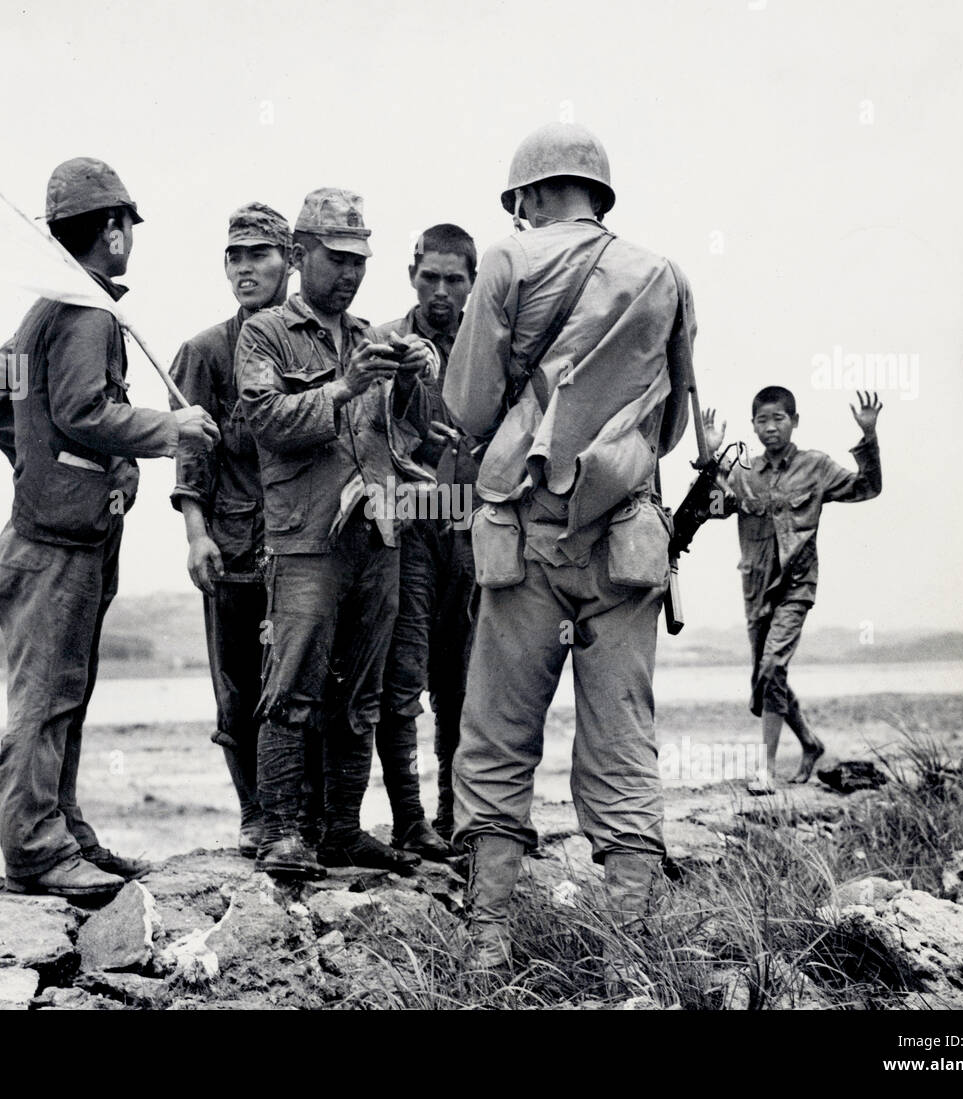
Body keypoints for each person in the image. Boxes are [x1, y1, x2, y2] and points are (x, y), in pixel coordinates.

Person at [442, 123, 695, 970]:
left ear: (531, 193)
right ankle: (627, 948)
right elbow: (672, 425)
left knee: (497, 733)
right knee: (623, 735)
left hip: (527, 532)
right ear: (597, 191)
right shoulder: (663, 273)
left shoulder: (507, 262)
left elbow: (471, 406)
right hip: (625, 538)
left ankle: (488, 942)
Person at [0, 157, 218, 897]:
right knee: (44, 703)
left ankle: (60, 827)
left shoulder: (51, 304)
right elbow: (81, 409)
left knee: (61, 698)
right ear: (110, 231)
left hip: (56, 540)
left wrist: (51, 463)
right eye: (127, 225)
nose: (130, 237)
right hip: (54, 550)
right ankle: (37, 853)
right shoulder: (85, 310)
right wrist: (169, 429)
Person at [235, 187, 434, 880]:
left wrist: (415, 379)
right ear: (299, 255)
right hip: (306, 541)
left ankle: (343, 828)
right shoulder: (264, 334)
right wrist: (343, 389)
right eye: (337, 258)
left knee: (364, 693)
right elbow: (265, 420)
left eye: (359, 260)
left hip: (375, 536)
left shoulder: (372, 337)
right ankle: (282, 830)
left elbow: (403, 435)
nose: (350, 273)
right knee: (291, 686)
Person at [168, 202, 292, 858]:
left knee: (305, 684)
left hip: (305, 547)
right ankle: (255, 814)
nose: (244, 267)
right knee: (238, 690)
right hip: (233, 549)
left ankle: (300, 816)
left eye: (259, 254)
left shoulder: (316, 343)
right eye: (234, 255)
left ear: (291, 261)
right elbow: (194, 456)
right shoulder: (205, 354)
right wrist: (196, 533)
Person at [702, 387, 883, 794]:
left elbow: (866, 488)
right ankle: (810, 743)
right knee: (769, 673)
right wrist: (709, 456)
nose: (770, 428)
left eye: (778, 419)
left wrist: (869, 435)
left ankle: (764, 769)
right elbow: (713, 505)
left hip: (797, 585)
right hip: (755, 586)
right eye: (762, 421)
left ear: (795, 421)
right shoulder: (744, 474)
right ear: (752, 426)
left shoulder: (814, 467)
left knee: (771, 669)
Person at [372, 224, 479, 858]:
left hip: (473, 532)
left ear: (472, 282)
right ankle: (410, 819)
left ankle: (455, 814)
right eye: (430, 277)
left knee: (463, 685)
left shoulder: (490, 351)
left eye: (455, 279)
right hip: (409, 531)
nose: (441, 292)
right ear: (412, 271)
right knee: (402, 678)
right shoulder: (383, 343)